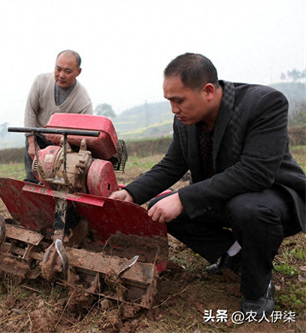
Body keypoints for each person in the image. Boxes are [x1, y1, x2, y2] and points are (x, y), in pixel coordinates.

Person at [110, 53, 305, 316]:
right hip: (226, 198)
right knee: (159, 208)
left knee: (246, 208)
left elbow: (256, 172)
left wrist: (183, 197)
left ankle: (258, 285)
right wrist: (130, 193)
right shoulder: (185, 121)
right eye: (169, 101)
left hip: (273, 198)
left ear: (209, 91)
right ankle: (233, 254)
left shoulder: (264, 104)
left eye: (178, 101)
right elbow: (171, 165)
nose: (173, 110)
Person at [23, 49, 93, 183]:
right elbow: (30, 111)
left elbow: (85, 134)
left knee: (58, 182)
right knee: (33, 179)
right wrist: (32, 143)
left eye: (67, 71)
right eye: (58, 69)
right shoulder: (40, 81)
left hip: (64, 145)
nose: (61, 75)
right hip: (38, 137)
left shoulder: (83, 101)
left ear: (78, 72)